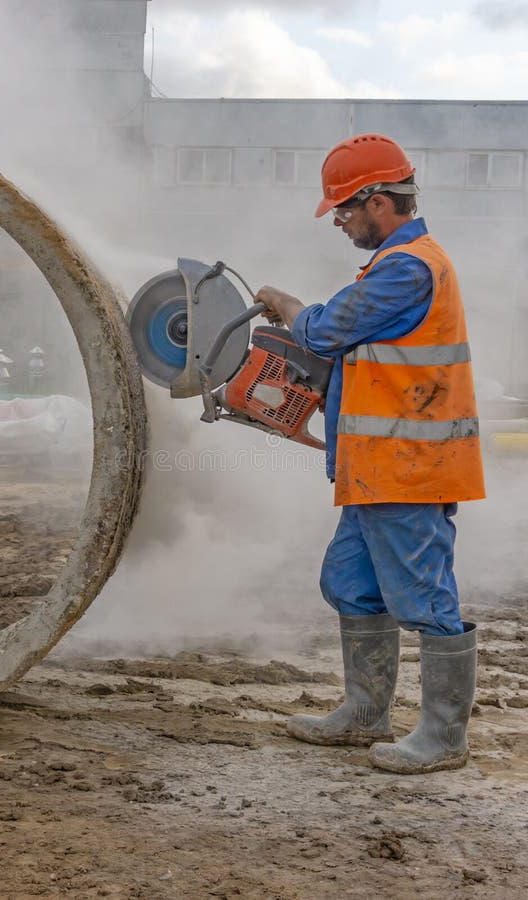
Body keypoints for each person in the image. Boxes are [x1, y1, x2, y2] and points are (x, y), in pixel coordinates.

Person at [255, 133, 485, 775]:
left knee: (424, 598)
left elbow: (326, 329)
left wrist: (288, 306)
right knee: (349, 584)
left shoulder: (408, 268)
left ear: (380, 201)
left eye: (344, 210)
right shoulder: (394, 265)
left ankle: (444, 737)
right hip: (377, 467)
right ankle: (365, 713)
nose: (339, 222)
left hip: (409, 468)